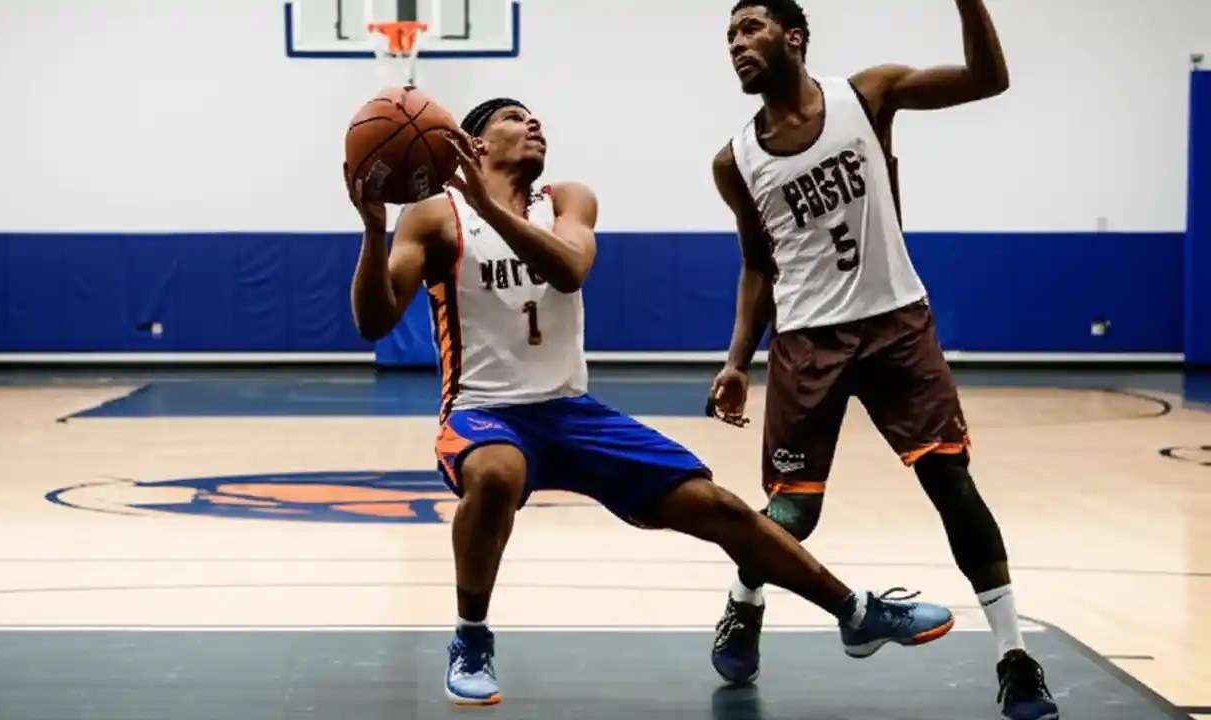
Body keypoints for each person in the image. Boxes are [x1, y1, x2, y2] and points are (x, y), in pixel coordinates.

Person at [346, 96, 957, 707]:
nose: (533, 123)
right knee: (496, 472)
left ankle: (854, 612)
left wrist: (490, 209)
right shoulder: (435, 216)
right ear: (475, 144)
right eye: (513, 117)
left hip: (571, 411)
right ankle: (472, 638)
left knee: (718, 506)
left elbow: (570, 268)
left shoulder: (568, 199)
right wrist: (375, 229)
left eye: (535, 117)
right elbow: (374, 321)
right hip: (484, 411)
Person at [704, 2, 1059, 719]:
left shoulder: (867, 95)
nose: (737, 43)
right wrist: (737, 360)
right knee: (792, 515)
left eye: (751, 28)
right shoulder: (734, 160)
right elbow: (757, 265)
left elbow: (988, 79)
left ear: (794, 37)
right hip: (807, 341)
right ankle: (745, 601)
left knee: (951, 483)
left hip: (896, 324)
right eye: (730, 35)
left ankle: (1016, 658)